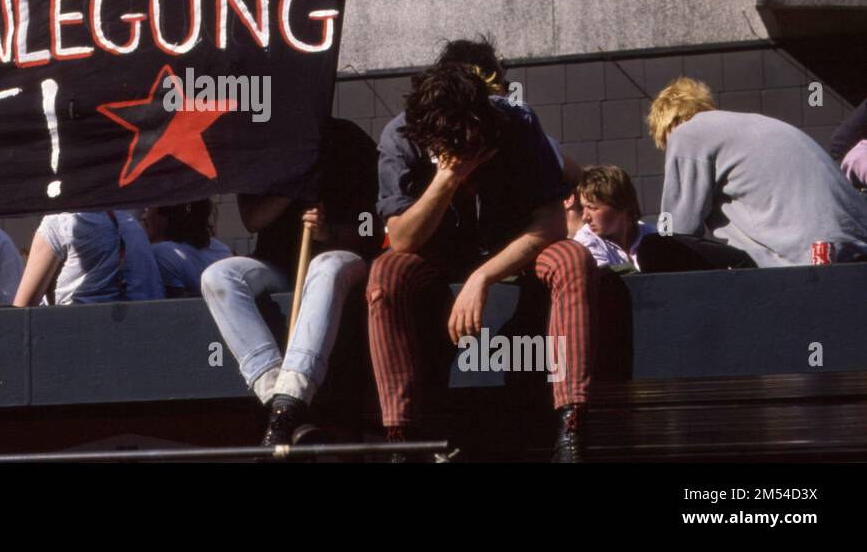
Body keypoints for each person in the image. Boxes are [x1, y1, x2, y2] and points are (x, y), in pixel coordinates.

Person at [368, 63, 598, 462]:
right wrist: (448, 177)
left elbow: (552, 223)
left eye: (469, 140)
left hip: (513, 255)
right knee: (385, 273)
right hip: (435, 258)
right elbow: (402, 240)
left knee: (573, 257)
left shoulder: (517, 123)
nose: (461, 148)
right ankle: (401, 442)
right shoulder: (400, 137)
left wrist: (483, 277)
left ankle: (571, 426)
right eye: (448, 144)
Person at [201, 118, 381, 446]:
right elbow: (252, 219)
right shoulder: (259, 141)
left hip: (340, 258)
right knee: (219, 275)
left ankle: (292, 398)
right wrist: (295, 185)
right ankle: (279, 403)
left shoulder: (350, 140)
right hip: (277, 264)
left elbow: (371, 230)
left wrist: (331, 233)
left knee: (324, 267)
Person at [647, 77, 867, 267]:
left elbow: (676, 232)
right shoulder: (758, 125)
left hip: (800, 258)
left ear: (667, 125)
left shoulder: (686, 134)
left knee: (658, 247)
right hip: (853, 244)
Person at [436, 37, 584, 188]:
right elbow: (579, 181)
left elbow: (580, 182)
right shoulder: (526, 134)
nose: (506, 94)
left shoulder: (532, 140)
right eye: (504, 85)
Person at [12, 211, 163, 305]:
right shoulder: (133, 226)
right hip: (136, 342)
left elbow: (21, 313)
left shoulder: (59, 223)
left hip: (70, 343)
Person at [140, 200, 231, 298]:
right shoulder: (221, 248)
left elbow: (174, 309)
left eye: (148, 208)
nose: (143, 216)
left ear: (166, 214)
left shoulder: (162, 253)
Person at [572, 166, 654, 270]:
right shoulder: (586, 242)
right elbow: (610, 282)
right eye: (583, 207)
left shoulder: (650, 235)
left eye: (592, 207)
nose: (584, 217)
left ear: (621, 205)